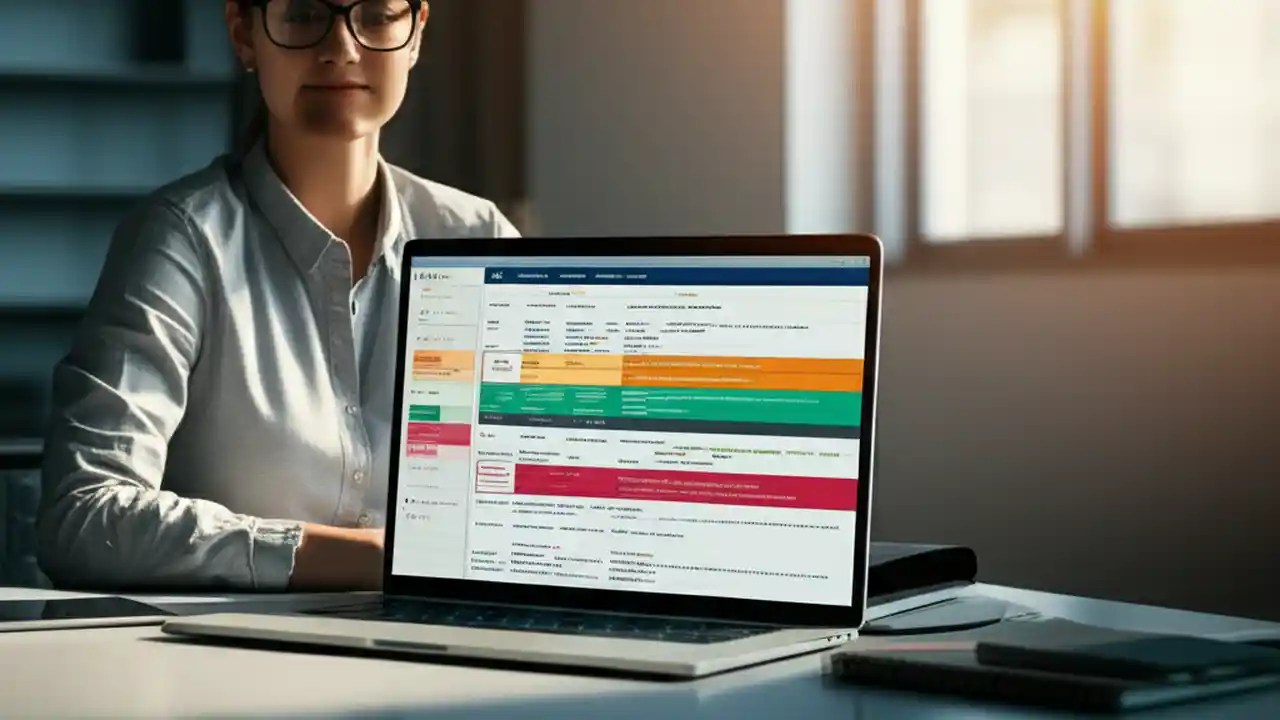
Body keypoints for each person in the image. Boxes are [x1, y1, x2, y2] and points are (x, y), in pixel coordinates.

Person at [36, 0, 518, 592]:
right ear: (243, 33)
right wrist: (374, 559)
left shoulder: (479, 238)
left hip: (459, 649)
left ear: (415, 33)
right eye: (302, 15)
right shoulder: (183, 240)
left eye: (375, 16)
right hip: (235, 664)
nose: (341, 46)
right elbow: (85, 517)